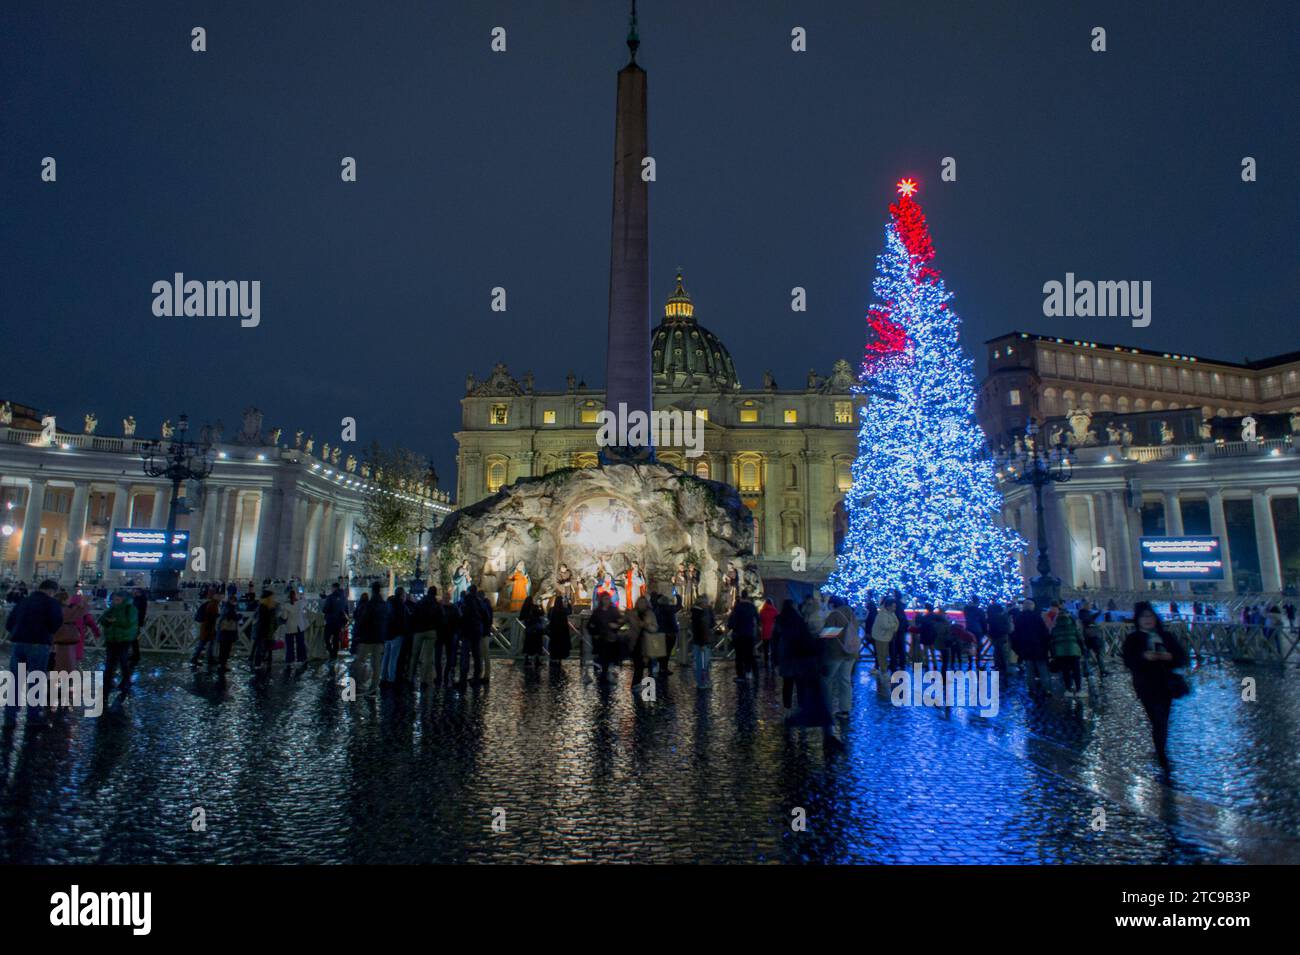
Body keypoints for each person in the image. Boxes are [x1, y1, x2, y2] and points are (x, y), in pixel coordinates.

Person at [1122, 602, 1189, 769]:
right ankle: (1161, 753)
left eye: (1150, 616)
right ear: (1137, 619)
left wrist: (1169, 657)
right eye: (1143, 616)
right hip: (1146, 685)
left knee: (1163, 719)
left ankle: (1161, 750)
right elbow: (1128, 661)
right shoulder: (1133, 639)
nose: (1147, 620)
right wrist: (1144, 657)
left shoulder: (1166, 637)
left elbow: (1181, 657)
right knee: (1157, 718)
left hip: (1166, 685)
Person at [5, 580, 64, 722]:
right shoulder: (52, 603)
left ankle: (10, 716)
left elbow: (9, 623)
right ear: (52, 591)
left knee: (16, 680)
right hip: (39, 644)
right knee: (36, 680)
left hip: (19, 644)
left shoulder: (24, 601)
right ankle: (33, 716)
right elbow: (56, 624)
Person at [821, 596, 859, 719]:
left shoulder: (834, 615)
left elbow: (828, 635)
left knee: (827, 680)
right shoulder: (851, 615)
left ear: (832, 604)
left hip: (836, 653)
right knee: (845, 681)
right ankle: (845, 710)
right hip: (851, 653)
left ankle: (825, 708)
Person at [99, 590, 139, 697]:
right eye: (114, 599)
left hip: (124, 639)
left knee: (123, 660)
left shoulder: (130, 609)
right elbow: (102, 619)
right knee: (110, 661)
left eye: (117, 600)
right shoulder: (112, 609)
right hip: (111, 639)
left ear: (123, 599)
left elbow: (129, 622)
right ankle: (108, 681)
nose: (114, 601)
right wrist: (107, 620)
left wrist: (115, 620)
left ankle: (126, 681)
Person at [1011, 598, 1052, 695]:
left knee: (1029, 670)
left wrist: (1018, 650)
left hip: (1026, 648)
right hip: (1039, 648)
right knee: (1043, 669)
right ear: (1032, 606)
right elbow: (1044, 633)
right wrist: (1046, 646)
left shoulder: (1019, 618)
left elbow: (1015, 635)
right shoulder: (1037, 617)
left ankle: (1031, 689)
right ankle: (1047, 689)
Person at [354, 582, 389, 695]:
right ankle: (374, 686)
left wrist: (357, 634)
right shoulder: (384, 604)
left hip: (367, 637)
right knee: (376, 663)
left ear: (372, 591)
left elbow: (363, 620)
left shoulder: (370, 604)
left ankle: (358, 683)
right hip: (379, 638)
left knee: (360, 660)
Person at [1050, 605, 1085, 697]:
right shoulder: (1073, 627)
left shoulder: (1055, 629)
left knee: (1066, 671)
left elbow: (1052, 642)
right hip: (1074, 652)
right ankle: (1078, 690)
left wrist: (1053, 654)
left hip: (1060, 653)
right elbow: (1079, 640)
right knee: (1076, 671)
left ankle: (1068, 689)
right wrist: (1083, 650)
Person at [626, 594, 662, 687]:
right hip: (636, 643)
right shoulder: (633, 613)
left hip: (648, 643)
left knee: (649, 666)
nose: (642, 605)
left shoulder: (650, 614)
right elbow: (626, 623)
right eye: (640, 603)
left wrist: (646, 625)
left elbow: (655, 627)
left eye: (643, 603)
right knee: (638, 666)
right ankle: (636, 685)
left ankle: (649, 689)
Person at [410, 587, 442, 688]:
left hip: (419, 631)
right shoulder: (436, 605)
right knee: (427, 657)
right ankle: (423, 679)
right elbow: (440, 617)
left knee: (414, 654)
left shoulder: (420, 603)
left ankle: (411, 676)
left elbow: (413, 616)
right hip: (431, 631)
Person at [456, 585, 486, 690]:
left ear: (469, 591)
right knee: (476, 655)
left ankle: (463, 680)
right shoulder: (479, 602)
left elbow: (462, 615)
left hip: (467, 632)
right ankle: (476, 678)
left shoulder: (466, 601)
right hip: (477, 632)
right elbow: (485, 615)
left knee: (465, 655)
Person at [729, 590, 759, 682]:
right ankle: (752, 673)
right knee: (750, 654)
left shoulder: (738, 607)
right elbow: (758, 618)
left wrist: (733, 627)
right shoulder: (752, 607)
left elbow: (732, 623)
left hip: (739, 635)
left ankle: (741, 675)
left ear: (741, 597)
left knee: (739, 656)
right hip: (750, 634)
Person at [382, 586, 410, 686]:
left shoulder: (388, 603)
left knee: (386, 656)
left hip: (387, 633)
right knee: (393, 657)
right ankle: (391, 678)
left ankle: (383, 676)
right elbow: (403, 621)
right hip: (396, 634)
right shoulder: (401, 606)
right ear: (402, 595)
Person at [688, 593, 715, 688]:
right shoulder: (698, 614)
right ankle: (702, 682)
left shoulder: (700, 613)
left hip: (701, 641)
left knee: (703, 663)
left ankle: (703, 681)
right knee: (702, 664)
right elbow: (700, 630)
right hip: (701, 642)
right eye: (705, 602)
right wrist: (702, 643)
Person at [436, 589, 461, 685]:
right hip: (450, 634)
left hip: (440, 634)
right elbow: (458, 620)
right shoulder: (454, 608)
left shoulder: (439, 607)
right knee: (449, 655)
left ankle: (439, 675)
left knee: (438, 655)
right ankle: (446, 674)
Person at [190, 588, 221, 667]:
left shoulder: (210, 603)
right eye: (218, 595)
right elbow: (212, 615)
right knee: (204, 644)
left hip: (206, 627)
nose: (220, 597)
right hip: (208, 627)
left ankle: (201, 658)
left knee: (206, 643)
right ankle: (198, 658)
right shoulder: (213, 604)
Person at [653, 590, 681, 673]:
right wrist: (678, 597)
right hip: (669, 633)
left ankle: (660, 667)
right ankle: (663, 668)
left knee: (661, 652)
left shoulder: (656, 610)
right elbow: (678, 606)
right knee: (667, 652)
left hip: (659, 633)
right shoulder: (669, 609)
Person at [253, 589, 281, 669]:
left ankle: (262, 663)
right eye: (272, 597)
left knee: (265, 649)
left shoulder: (270, 608)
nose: (273, 599)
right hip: (263, 633)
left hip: (268, 632)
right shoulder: (263, 608)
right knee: (261, 649)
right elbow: (264, 622)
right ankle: (258, 665)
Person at [871, 597, 899, 674]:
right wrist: (893, 625)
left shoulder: (890, 613)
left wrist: (893, 626)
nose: (894, 608)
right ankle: (883, 670)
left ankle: (884, 669)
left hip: (886, 637)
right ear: (888, 606)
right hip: (881, 637)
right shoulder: (883, 614)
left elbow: (896, 623)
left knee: (884, 654)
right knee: (882, 654)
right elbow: (885, 625)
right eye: (893, 606)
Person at [322, 582, 349, 661]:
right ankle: (334, 654)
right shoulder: (344, 598)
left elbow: (325, 609)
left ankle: (331, 652)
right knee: (336, 639)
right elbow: (346, 610)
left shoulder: (330, 597)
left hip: (330, 621)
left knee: (326, 638)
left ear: (334, 588)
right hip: (339, 622)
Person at [1078, 599, 1105, 676]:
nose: (1090, 607)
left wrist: (1098, 613)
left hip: (1092, 635)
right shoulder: (1082, 613)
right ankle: (1087, 671)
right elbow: (1088, 620)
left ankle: (1102, 670)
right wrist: (1096, 615)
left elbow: (1090, 618)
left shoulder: (1086, 613)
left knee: (1096, 653)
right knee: (1087, 655)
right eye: (1089, 605)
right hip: (1089, 636)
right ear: (1086, 606)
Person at [282, 589, 309, 665]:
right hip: (299, 626)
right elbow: (306, 602)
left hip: (290, 627)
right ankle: (301, 659)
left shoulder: (286, 605)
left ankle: (290, 660)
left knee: (289, 645)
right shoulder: (300, 603)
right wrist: (302, 595)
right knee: (300, 644)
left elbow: (284, 617)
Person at [519, 595, 547, 667]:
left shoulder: (524, 608)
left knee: (528, 644)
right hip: (537, 629)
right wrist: (541, 605)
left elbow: (520, 617)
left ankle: (526, 659)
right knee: (537, 644)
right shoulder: (534, 607)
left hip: (528, 629)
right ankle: (537, 660)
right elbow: (542, 613)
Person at [216, 593, 241, 672]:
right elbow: (234, 617)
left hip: (223, 632)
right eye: (234, 601)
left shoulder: (225, 607)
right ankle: (223, 665)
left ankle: (221, 664)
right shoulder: (230, 608)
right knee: (226, 649)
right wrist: (240, 616)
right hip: (227, 632)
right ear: (231, 600)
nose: (235, 602)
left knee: (223, 649)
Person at [985, 599, 1011, 672]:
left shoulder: (991, 617)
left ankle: (998, 664)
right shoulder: (1003, 616)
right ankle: (1004, 665)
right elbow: (1007, 626)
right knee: (1002, 651)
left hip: (994, 635)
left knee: (997, 650)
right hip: (1002, 635)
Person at [548, 594, 572, 662]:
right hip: (562, 632)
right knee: (561, 647)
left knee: (554, 646)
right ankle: (559, 661)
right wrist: (568, 603)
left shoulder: (552, 610)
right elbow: (570, 611)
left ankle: (554, 660)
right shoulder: (564, 610)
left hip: (554, 632)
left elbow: (549, 617)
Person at [758, 596, 778, 670]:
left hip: (765, 631)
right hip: (772, 631)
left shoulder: (762, 611)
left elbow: (760, 620)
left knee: (765, 648)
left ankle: (766, 661)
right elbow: (777, 620)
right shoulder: (775, 611)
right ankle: (773, 662)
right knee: (772, 648)